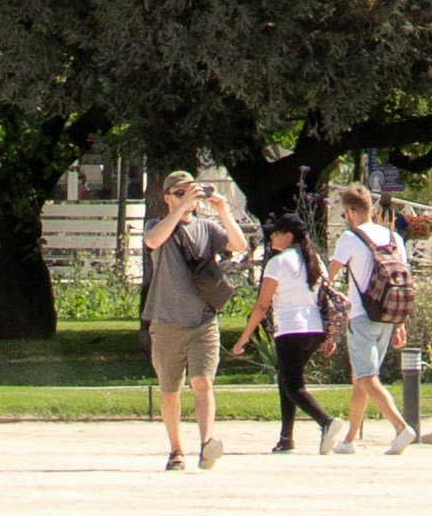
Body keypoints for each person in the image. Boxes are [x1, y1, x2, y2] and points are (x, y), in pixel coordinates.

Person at [141, 171, 245, 469]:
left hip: (203, 320)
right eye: (178, 193)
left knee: (202, 382)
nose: (186, 197)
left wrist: (223, 210)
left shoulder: (207, 228)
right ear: (167, 198)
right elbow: (152, 241)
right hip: (166, 320)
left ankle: (206, 444)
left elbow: (237, 246)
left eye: (191, 191)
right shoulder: (157, 225)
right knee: (170, 390)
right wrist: (179, 209)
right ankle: (176, 450)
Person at [235, 212, 338, 453]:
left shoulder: (278, 263)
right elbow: (325, 299)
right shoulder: (315, 262)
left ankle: (327, 422)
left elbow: (262, 305)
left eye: (276, 232)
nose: (271, 236)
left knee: (293, 386)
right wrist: (330, 335)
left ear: (288, 236)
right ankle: (286, 437)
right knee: (286, 380)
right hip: (314, 329)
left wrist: (244, 337)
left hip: (291, 329)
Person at [329, 180, 413, 453]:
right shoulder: (394, 238)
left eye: (344, 215)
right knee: (361, 376)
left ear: (351, 212)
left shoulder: (350, 238)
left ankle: (401, 428)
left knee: (366, 376)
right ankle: (350, 439)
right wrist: (400, 324)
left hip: (362, 315)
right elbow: (402, 280)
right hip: (387, 315)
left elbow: (328, 277)